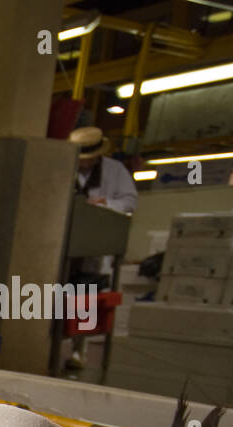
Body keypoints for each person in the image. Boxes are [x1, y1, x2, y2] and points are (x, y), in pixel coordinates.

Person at [65, 126, 138, 369]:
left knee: (86, 300)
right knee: (60, 300)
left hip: (95, 249)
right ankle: (57, 346)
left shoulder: (115, 171)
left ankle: (79, 350)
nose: (85, 164)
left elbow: (130, 203)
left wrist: (105, 202)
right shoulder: (64, 166)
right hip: (65, 247)